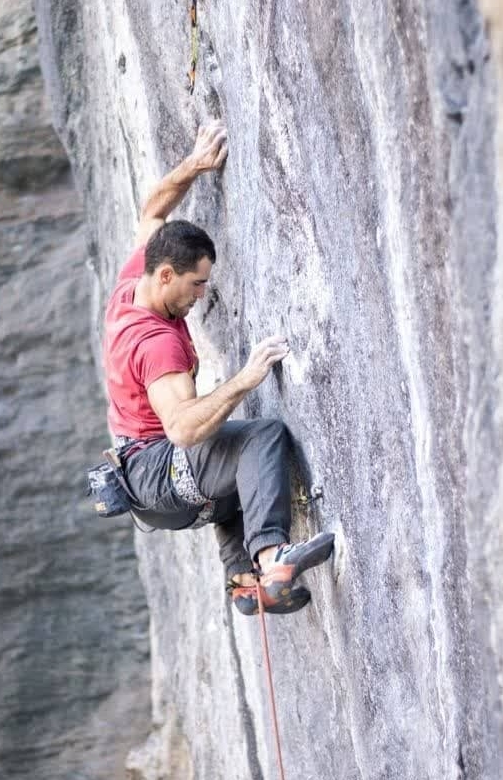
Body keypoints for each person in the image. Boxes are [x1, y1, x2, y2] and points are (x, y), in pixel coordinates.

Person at [103, 121, 334, 615]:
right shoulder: (157, 346)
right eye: (196, 284)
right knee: (260, 438)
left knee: (231, 471)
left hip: (144, 486)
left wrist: (195, 163)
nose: (201, 295)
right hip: (159, 474)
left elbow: (153, 210)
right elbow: (184, 429)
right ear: (165, 275)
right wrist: (246, 379)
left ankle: (242, 580)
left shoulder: (133, 283)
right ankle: (273, 563)